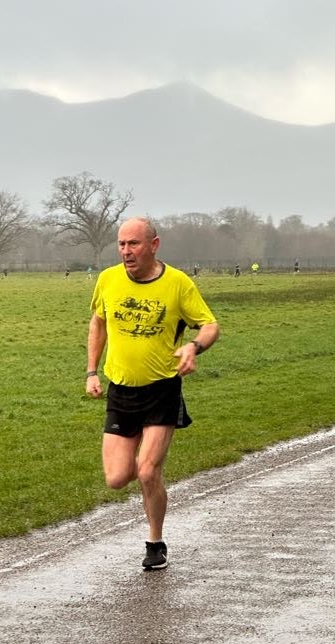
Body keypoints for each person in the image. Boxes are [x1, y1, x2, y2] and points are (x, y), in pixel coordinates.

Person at [85, 217, 219, 571]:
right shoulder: (108, 280)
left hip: (162, 389)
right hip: (121, 391)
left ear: (154, 245)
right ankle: (148, 469)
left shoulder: (177, 284)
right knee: (116, 479)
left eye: (134, 244)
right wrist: (91, 371)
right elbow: (98, 322)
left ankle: (155, 542)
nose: (126, 251)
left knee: (146, 472)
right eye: (122, 244)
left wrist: (193, 348)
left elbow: (209, 324)